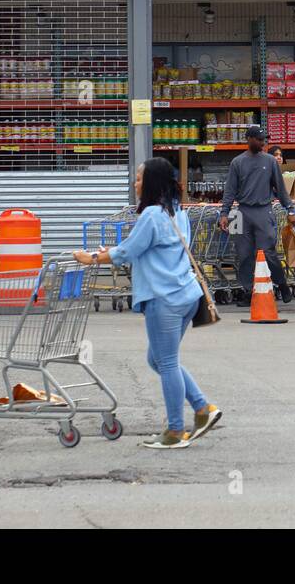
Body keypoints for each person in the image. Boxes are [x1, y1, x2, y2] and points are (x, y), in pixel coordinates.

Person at [74, 158, 222, 450]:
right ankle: (203, 409)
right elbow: (140, 248)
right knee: (159, 360)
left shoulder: (152, 215)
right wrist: (115, 252)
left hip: (163, 298)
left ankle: (176, 431)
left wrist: (91, 257)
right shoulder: (177, 212)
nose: (135, 183)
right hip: (186, 296)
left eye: (140, 178)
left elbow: (128, 251)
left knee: (165, 362)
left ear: (152, 182)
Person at [219, 126, 295, 304]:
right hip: (241, 212)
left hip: (263, 210)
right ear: (249, 139)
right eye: (259, 140)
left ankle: (282, 284)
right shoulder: (237, 163)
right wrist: (224, 213)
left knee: (267, 251)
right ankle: (248, 291)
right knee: (244, 254)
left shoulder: (270, 161)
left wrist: (290, 209)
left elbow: (280, 188)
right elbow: (229, 191)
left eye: (264, 140)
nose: (263, 143)